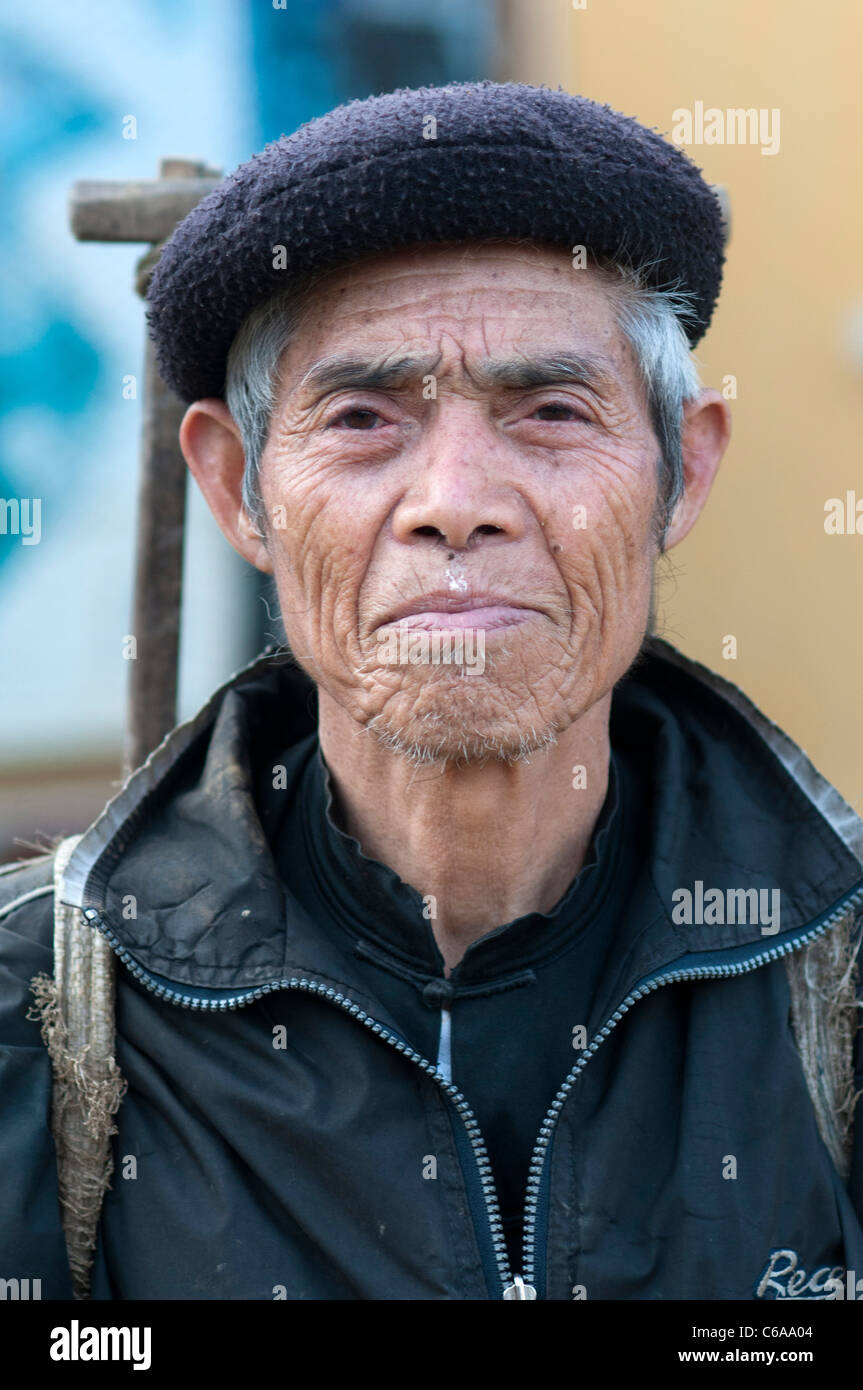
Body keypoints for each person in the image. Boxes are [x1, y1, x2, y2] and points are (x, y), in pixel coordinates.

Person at [2, 81, 862, 1302]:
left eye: (550, 411)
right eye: (361, 418)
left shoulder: (838, 981)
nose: (453, 498)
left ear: (682, 470)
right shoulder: (34, 1013)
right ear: (239, 487)